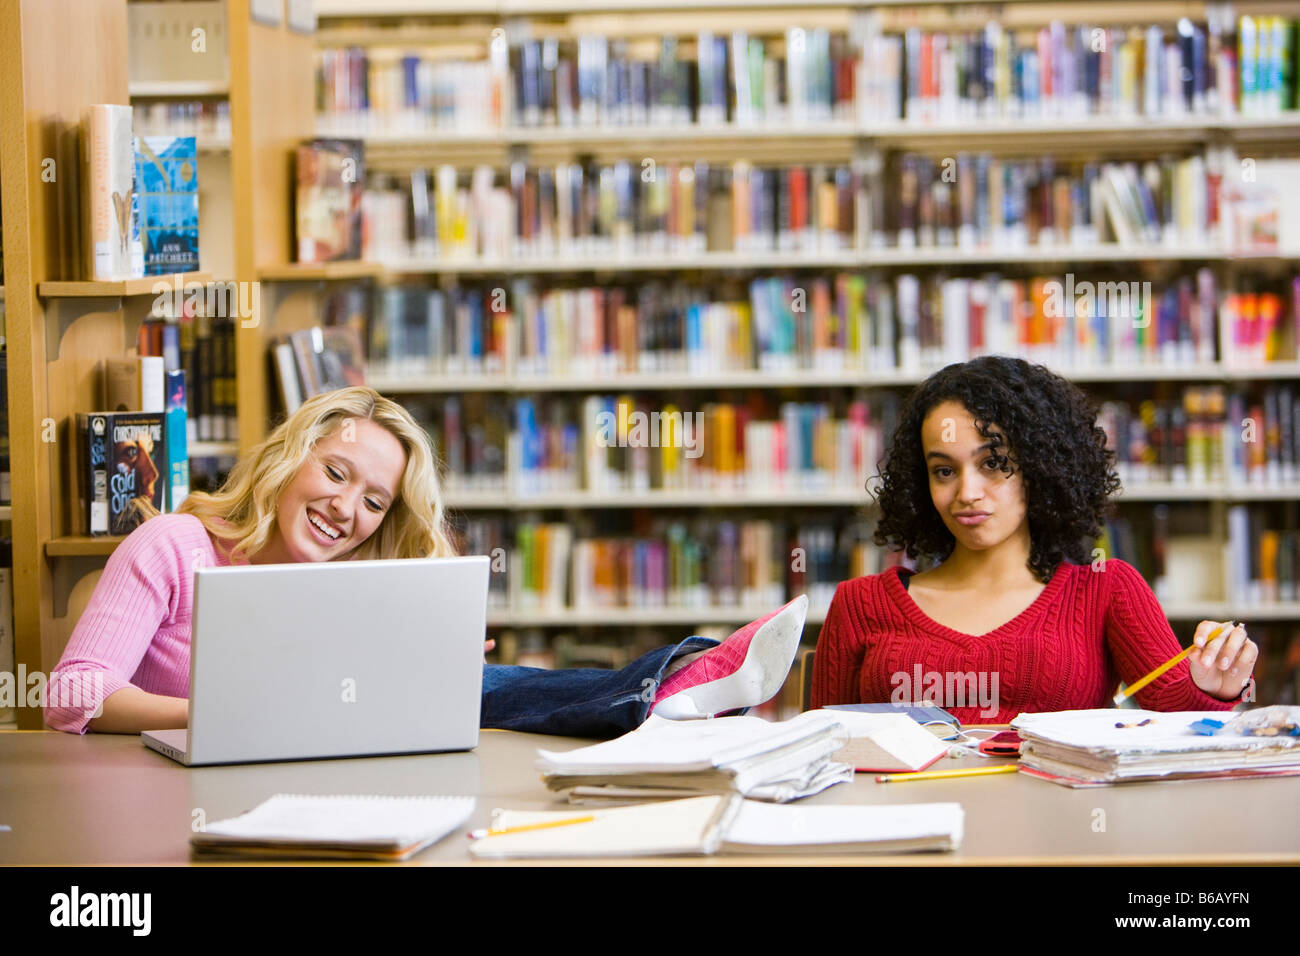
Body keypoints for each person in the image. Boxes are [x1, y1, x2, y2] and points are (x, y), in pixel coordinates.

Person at [46, 387, 805, 738]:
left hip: (312, 764)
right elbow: (73, 693)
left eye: (375, 502)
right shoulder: (173, 546)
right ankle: (672, 687)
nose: (348, 512)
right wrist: (220, 713)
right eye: (337, 475)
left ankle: (676, 686)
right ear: (288, 458)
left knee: (477, 685)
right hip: (180, 783)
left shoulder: (351, 576)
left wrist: (419, 653)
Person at [810, 356, 1257, 723]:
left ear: (1040, 468)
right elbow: (823, 756)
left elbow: (1183, 723)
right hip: (912, 828)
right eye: (944, 470)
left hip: (1060, 831)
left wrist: (1214, 687)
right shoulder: (859, 605)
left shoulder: (1106, 589)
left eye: (993, 464)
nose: (966, 493)